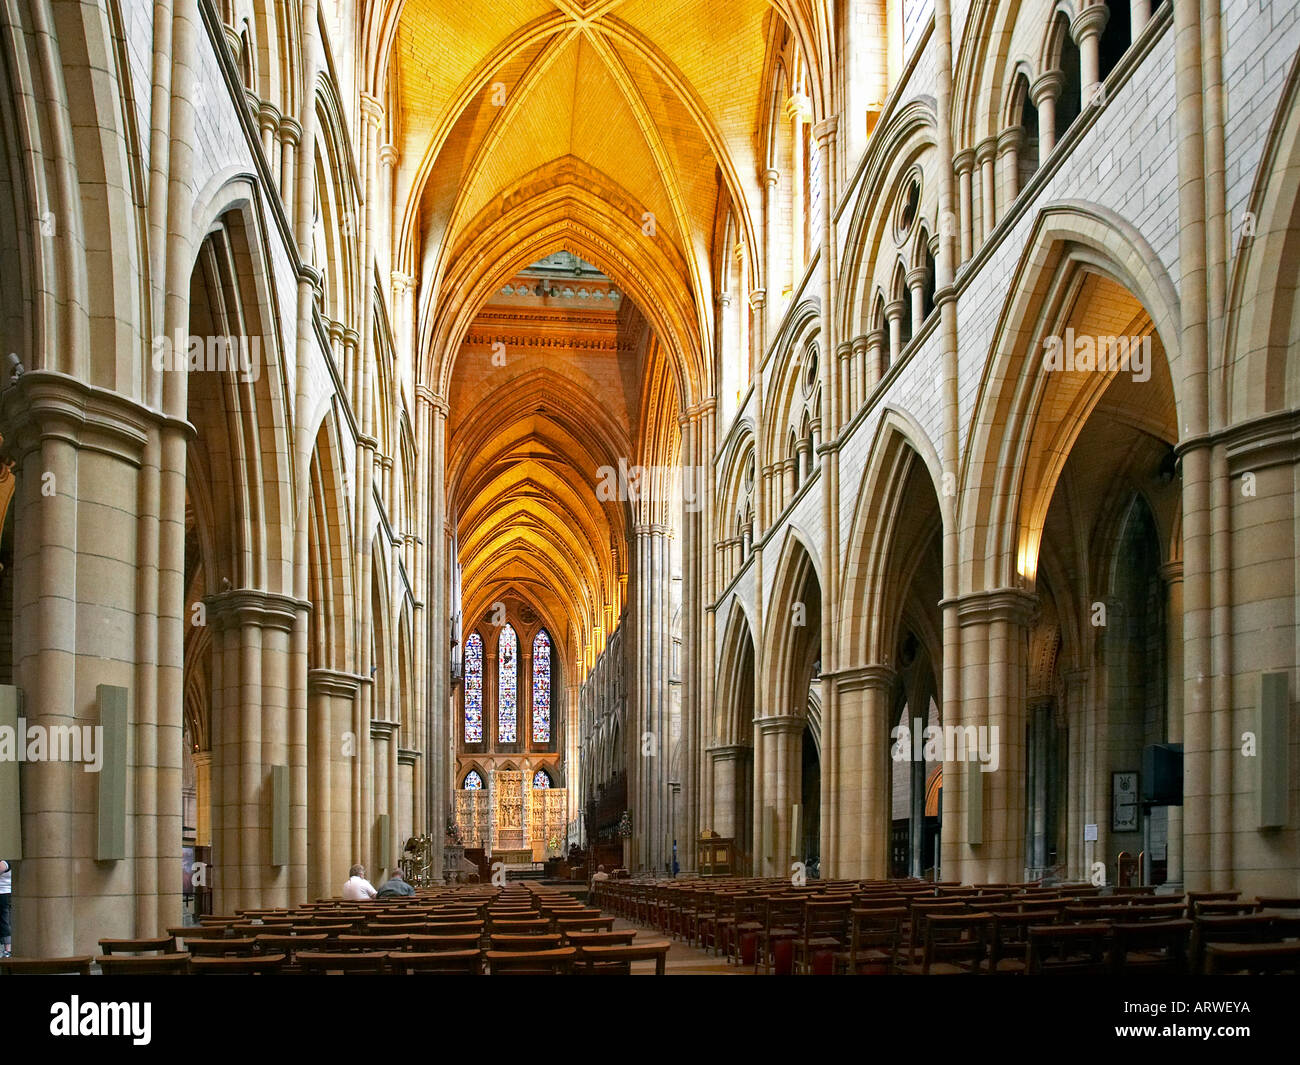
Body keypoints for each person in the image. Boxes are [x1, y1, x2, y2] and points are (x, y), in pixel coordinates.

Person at [0, 857, 12, 958]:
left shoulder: (4, 862)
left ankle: (8, 949)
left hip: (3, 894)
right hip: (6, 894)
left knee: (4, 921)